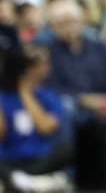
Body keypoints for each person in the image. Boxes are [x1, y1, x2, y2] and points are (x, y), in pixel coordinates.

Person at [43, 0, 106, 190]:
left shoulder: (98, 45)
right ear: (53, 26)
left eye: (73, 20)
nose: (69, 26)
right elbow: (50, 88)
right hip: (75, 104)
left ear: (82, 20)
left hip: (105, 101)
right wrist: (83, 100)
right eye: (63, 22)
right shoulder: (48, 50)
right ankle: (68, 176)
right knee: (66, 110)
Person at [0, 45, 73, 193]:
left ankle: (21, 181)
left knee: (66, 149)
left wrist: (25, 92)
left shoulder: (45, 95)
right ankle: (33, 182)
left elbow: (45, 127)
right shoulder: (3, 96)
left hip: (39, 156)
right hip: (10, 157)